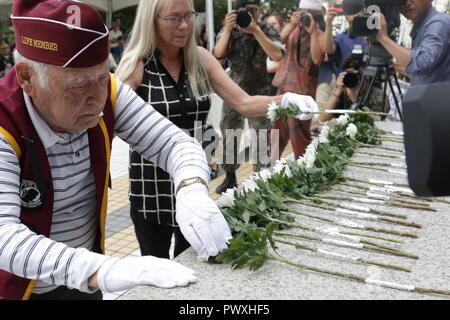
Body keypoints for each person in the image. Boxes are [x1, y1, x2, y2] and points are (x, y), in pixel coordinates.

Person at [0, 0, 236, 300]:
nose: (98, 100)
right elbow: (4, 237)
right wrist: (107, 270)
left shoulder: (108, 91)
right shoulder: (4, 122)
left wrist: (191, 187)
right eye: (78, 85)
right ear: (27, 78)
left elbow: (174, 143)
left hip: (86, 278)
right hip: (21, 289)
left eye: (102, 77)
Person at [115, 0, 317, 259]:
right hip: (152, 189)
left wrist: (286, 100)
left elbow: (243, 102)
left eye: (188, 16)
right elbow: (112, 123)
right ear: (151, 21)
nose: (185, 25)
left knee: (194, 265)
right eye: (174, 18)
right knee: (157, 269)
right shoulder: (136, 65)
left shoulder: (198, 58)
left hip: (195, 189)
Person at [213, 0, 284, 194]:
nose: (250, 14)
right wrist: (227, 29)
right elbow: (217, 55)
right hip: (233, 89)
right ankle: (230, 177)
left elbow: (277, 55)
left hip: (261, 90)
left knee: (260, 137)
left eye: (253, 10)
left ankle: (261, 181)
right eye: (246, 10)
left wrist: (255, 31)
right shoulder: (230, 29)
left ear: (259, 11)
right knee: (229, 133)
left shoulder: (265, 29)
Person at [271, 0, 323, 161]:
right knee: (275, 131)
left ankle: (303, 169)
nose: (305, 16)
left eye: (308, 13)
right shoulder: (293, 28)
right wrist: (292, 24)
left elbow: (317, 59)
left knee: (298, 134)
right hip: (283, 85)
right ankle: (270, 167)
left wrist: (313, 31)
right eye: (302, 12)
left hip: (303, 90)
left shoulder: (319, 32)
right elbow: (277, 45)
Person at [376, 0, 450, 87]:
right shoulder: (421, 25)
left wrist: (383, 38)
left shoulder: (439, 22)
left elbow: (422, 61)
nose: (407, 3)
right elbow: (430, 74)